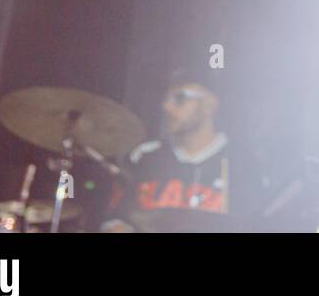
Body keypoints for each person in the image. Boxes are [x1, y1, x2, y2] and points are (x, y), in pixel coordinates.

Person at [101, 66, 240, 231]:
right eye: (166, 99)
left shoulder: (241, 164)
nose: (167, 106)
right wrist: (116, 226)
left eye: (180, 98)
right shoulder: (144, 157)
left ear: (209, 105)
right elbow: (116, 215)